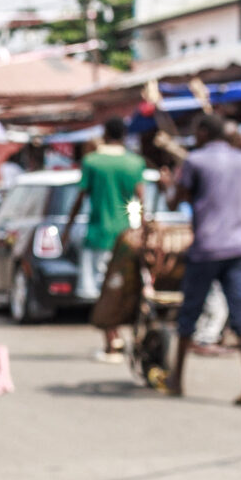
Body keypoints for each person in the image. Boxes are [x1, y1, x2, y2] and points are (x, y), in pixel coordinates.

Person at [165, 113, 241, 407]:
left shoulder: (195, 161)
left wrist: (168, 182)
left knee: (188, 316)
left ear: (205, 131)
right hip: (238, 247)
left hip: (206, 248)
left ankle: (177, 379)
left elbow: (174, 200)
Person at [77, 117, 146, 360]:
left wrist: (67, 228)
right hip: (128, 238)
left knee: (104, 290)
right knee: (130, 287)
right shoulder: (134, 162)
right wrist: (143, 230)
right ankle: (129, 338)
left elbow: (81, 197)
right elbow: (141, 199)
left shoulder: (92, 162)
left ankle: (112, 340)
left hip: (99, 235)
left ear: (105, 133)